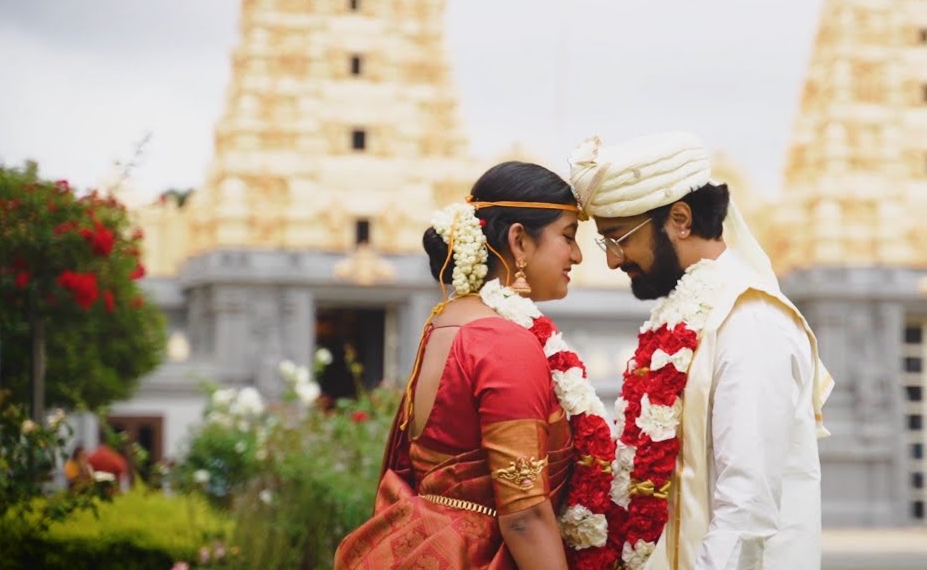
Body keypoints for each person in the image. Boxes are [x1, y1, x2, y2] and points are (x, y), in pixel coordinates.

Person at [567, 132, 834, 570]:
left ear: (681, 219)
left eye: (618, 238)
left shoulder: (750, 322)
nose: (613, 260)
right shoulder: (682, 314)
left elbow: (746, 506)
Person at [335, 161, 590, 570]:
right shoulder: (503, 342)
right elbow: (524, 516)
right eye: (568, 236)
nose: (577, 255)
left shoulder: (446, 321)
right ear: (520, 241)